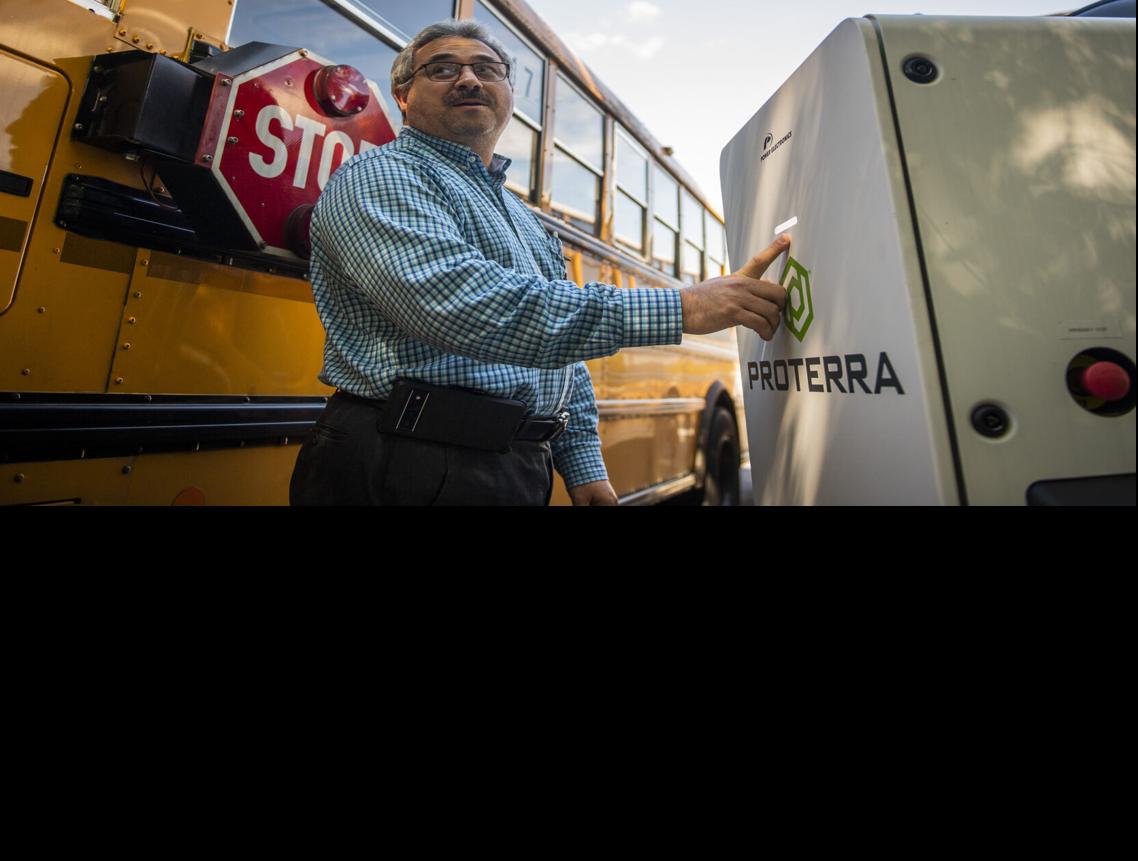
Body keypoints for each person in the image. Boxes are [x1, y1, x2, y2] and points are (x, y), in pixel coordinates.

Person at [290, 19, 789, 506]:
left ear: (508, 93)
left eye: (487, 69)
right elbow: (460, 306)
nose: (469, 78)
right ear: (402, 95)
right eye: (442, 69)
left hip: (512, 464)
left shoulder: (522, 218)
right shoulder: (379, 175)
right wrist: (682, 308)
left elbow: (557, 352)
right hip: (403, 462)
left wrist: (582, 461)